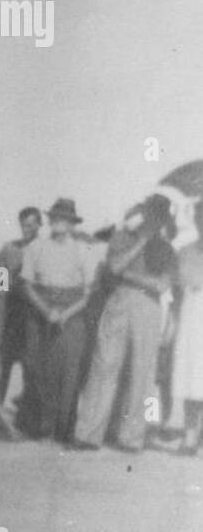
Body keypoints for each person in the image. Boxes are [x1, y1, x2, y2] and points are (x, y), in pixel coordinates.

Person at [71, 194, 177, 452]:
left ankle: (131, 438)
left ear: (164, 219)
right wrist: (140, 243)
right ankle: (88, 434)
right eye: (149, 213)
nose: (153, 220)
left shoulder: (166, 248)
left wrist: (130, 276)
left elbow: (162, 284)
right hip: (119, 301)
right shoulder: (122, 238)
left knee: (142, 371)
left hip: (149, 307)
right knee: (104, 365)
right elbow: (114, 266)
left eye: (158, 216)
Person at [19, 198, 95, 442]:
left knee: (70, 369)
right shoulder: (35, 247)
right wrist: (46, 311)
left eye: (64, 218)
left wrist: (66, 313)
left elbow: (88, 293)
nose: (58, 222)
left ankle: (65, 429)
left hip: (72, 312)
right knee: (39, 368)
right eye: (54, 217)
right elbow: (27, 285)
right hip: (40, 311)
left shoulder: (83, 250)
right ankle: (42, 426)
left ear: (73, 224)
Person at [0, 207, 42, 403]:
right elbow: (0, 286)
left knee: (31, 364)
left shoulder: (46, 248)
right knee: (3, 362)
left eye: (31, 225)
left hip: (36, 312)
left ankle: (28, 412)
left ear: (40, 225)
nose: (26, 229)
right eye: (23, 225)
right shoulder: (9, 249)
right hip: (12, 311)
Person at [171, 200, 203, 455]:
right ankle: (190, 435)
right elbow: (184, 282)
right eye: (201, 216)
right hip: (194, 318)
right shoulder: (186, 251)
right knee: (193, 377)